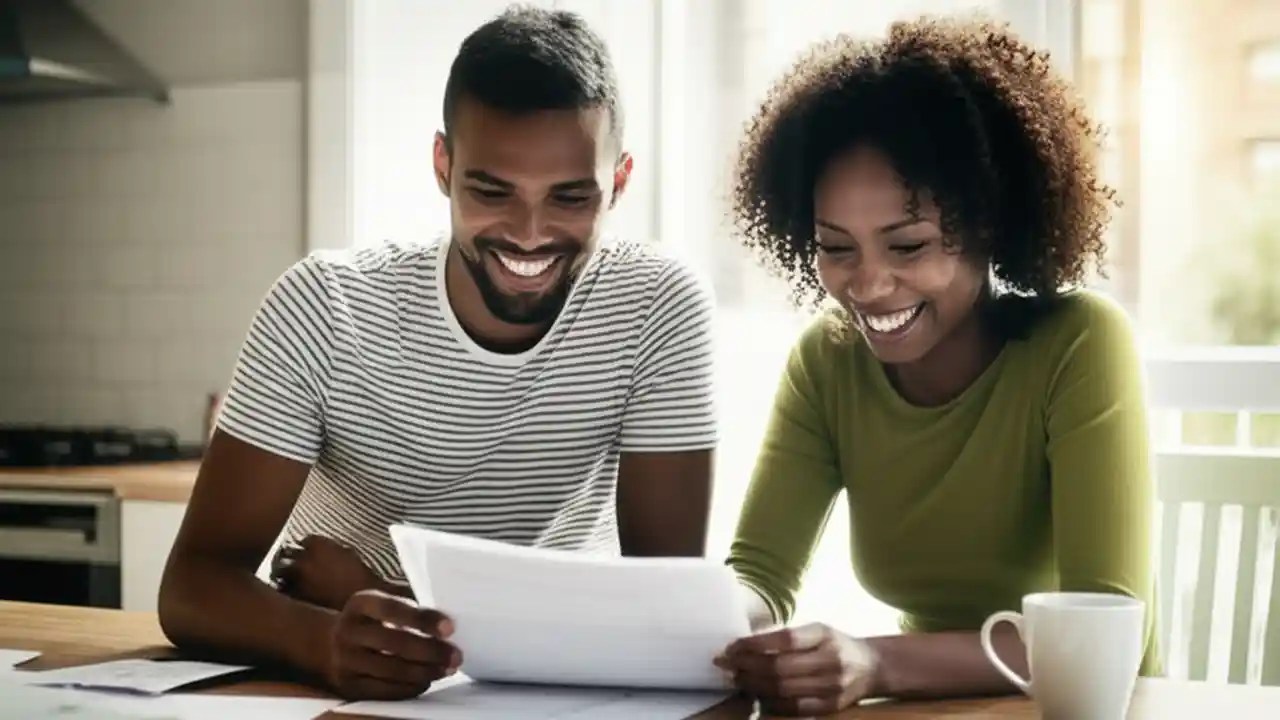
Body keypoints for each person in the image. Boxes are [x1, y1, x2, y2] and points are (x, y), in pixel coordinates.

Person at [158, 6, 717, 702]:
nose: (529, 233)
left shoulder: (657, 304)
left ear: (620, 182)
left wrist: (374, 592)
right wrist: (321, 639)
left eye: (571, 197)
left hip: (562, 699)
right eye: (491, 191)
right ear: (443, 166)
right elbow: (193, 586)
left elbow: (664, 608)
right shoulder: (324, 305)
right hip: (349, 694)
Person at [714, 16, 1158, 716]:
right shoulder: (827, 363)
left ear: (989, 225)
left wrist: (875, 662)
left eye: (908, 246)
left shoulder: (1080, 345)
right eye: (837, 248)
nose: (868, 285)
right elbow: (759, 579)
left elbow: (1097, 625)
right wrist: (719, 627)